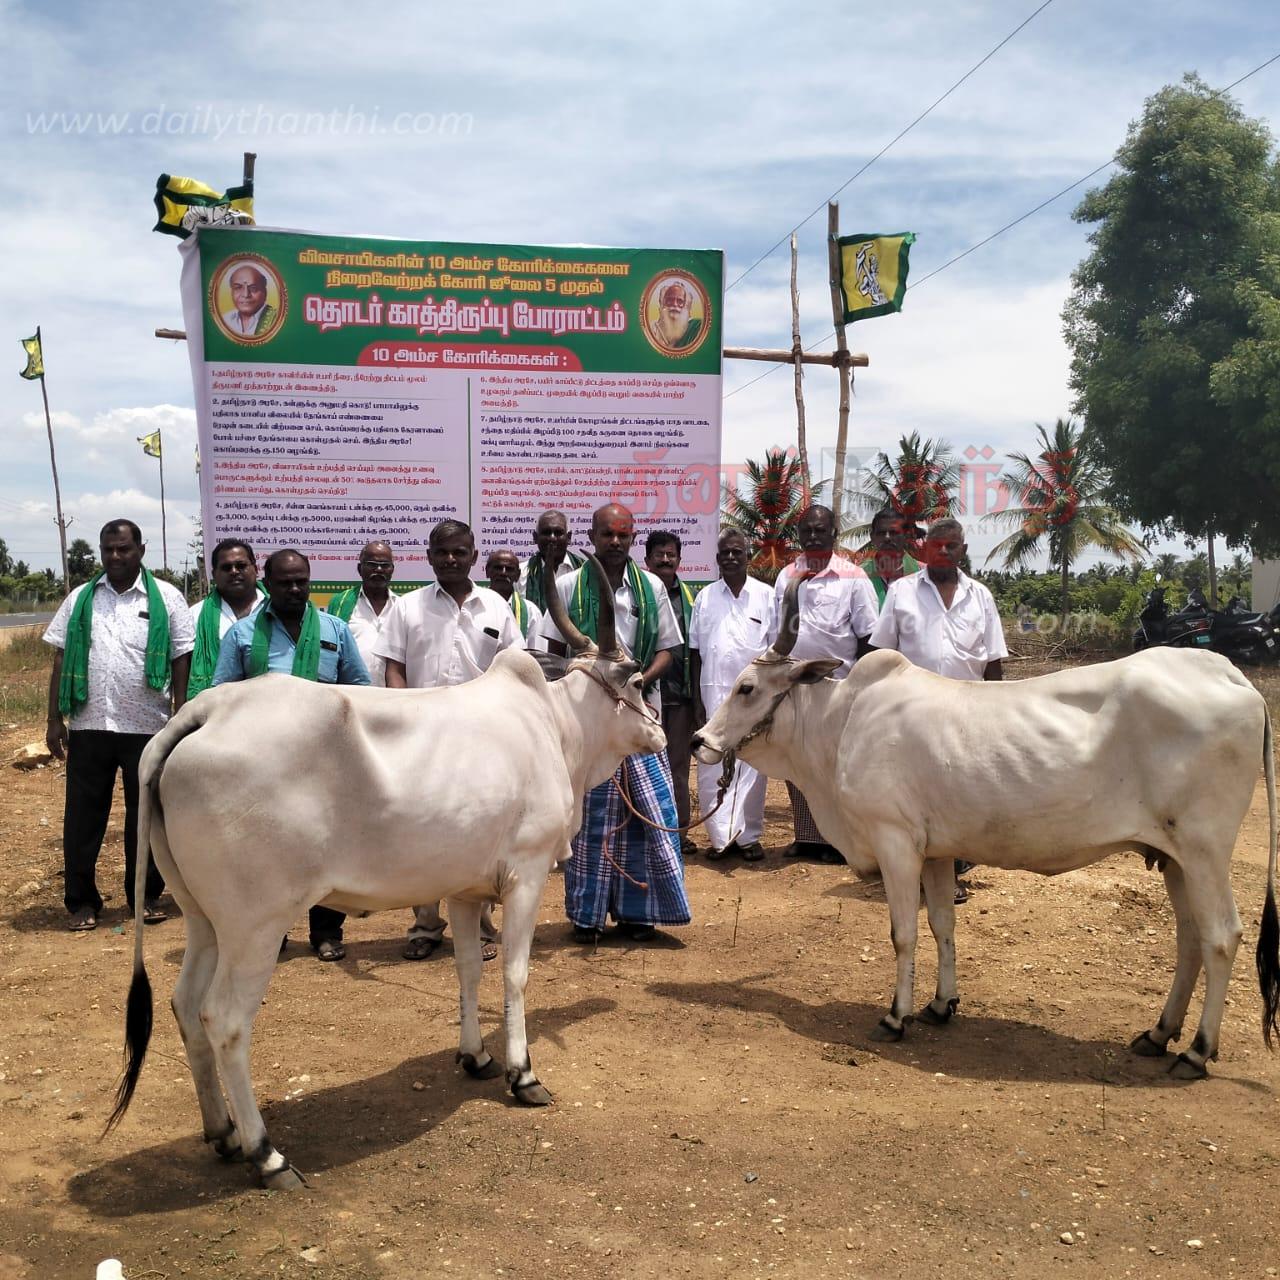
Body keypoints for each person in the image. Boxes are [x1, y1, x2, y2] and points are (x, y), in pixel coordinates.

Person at [539, 503, 691, 944]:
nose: (616, 542)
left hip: (639, 719)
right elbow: (550, 648)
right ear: (593, 535)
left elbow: (669, 649)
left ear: (633, 538)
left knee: (646, 817)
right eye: (608, 534)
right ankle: (586, 918)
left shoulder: (652, 589)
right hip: (585, 728)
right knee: (588, 822)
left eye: (624, 534)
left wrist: (640, 678)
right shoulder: (569, 585)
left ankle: (638, 915)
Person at [213, 547, 370, 959]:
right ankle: (273, 932)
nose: (296, 589)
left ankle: (327, 932)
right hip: (262, 764)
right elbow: (222, 698)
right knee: (267, 850)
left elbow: (361, 691)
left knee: (326, 849)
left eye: (302, 580)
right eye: (285, 582)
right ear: (267, 583)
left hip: (326, 762)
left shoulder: (335, 630)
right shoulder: (242, 634)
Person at [375, 520, 521, 962]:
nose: (451, 559)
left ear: (474, 555)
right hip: (422, 738)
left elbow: (514, 668)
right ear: (429, 556)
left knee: (476, 832)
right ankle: (425, 925)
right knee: (422, 829)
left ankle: (477, 928)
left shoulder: (496, 606)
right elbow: (394, 669)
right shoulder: (407, 608)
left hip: (483, 740)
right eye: (442, 552)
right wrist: (407, 718)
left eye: (460, 552)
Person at [43, 519, 195, 931]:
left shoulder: (167, 597)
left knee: (145, 818)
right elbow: (60, 656)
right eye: (108, 549)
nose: (115, 556)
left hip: (148, 726)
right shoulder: (81, 598)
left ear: (140, 550)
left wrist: (180, 713)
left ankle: (143, 898)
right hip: (90, 723)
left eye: (123, 549)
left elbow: (182, 655)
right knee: (82, 818)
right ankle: (81, 902)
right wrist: (55, 718)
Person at [869, 517, 1008, 903]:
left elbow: (993, 664)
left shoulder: (981, 596)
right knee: (914, 798)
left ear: (963, 550)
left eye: (951, 545)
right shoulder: (901, 593)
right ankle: (911, 874)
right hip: (912, 718)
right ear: (924, 549)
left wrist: (997, 717)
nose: (943, 551)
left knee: (958, 797)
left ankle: (951, 871)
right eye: (936, 545)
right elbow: (881, 654)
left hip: (968, 715)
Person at [772, 504, 879, 865]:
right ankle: (807, 836)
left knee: (836, 765)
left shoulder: (854, 577)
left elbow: (868, 636)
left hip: (839, 688)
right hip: (796, 688)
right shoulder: (787, 576)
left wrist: (858, 687)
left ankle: (841, 839)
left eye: (821, 530)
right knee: (798, 761)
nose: (814, 536)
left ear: (834, 534)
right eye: (808, 530)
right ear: (799, 535)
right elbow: (777, 632)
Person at [688, 529, 776, 861]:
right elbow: (695, 652)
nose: (730, 557)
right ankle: (720, 839)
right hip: (713, 693)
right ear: (716, 559)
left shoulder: (765, 596)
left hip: (754, 700)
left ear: (747, 556)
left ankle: (748, 837)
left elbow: (774, 652)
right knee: (712, 763)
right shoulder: (705, 598)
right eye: (724, 552)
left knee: (753, 762)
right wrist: (697, 701)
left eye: (736, 552)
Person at [643, 529, 699, 856]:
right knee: (644, 766)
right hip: (645, 697)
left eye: (671, 555)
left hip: (680, 697)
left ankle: (678, 832)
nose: (666, 560)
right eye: (659, 555)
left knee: (677, 767)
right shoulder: (639, 593)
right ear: (647, 559)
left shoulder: (692, 598)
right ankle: (647, 833)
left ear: (679, 559)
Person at [187, 538, 265, 698]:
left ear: (256, 569)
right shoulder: (195, 616)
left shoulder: (275, 610)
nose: (234, 571)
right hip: (215, 712)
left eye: (241, 566)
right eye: (226, 567)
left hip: (270, 709)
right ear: (214, 574)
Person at [326, 540, 399, 686]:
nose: (378, 569)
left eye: (385, 565)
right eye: (372, 564)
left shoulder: (401, 607)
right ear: (360, 568)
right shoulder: (341, 603)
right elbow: (331, 653)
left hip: (393, 696)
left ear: (392, 570)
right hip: (353, 696)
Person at [520, 509, 584, 610]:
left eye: (558, 533)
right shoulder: (521, 574)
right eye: (546, 533)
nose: (552, 538)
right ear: (535, 537)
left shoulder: (584, 571)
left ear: (569, 537)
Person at [858, 509, 920, 608]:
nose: (887, 538)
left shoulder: (923, 574)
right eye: (881, 533)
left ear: (906, 536)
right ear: (872, 537)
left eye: (894, 532)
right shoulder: (859, 575)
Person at [485, 548, 544, 647]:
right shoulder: (475, 605)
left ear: (517, 575)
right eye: (498, 568)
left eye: (509, 569)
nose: (503, 573)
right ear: (487, 571)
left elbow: (538, 653)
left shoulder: (531, 611)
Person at [221, 263, 277, 337]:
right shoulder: (226, 319)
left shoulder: (276, 319)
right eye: (238, 288)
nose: (246, 294)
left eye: (253, 288)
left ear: (265, 292)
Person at [650, 279, 702, 350]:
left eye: (680, 301)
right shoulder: (652, 328)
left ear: (686, 304)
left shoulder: (696, 326)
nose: (674, 304)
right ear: (663, 303)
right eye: (670, 300)